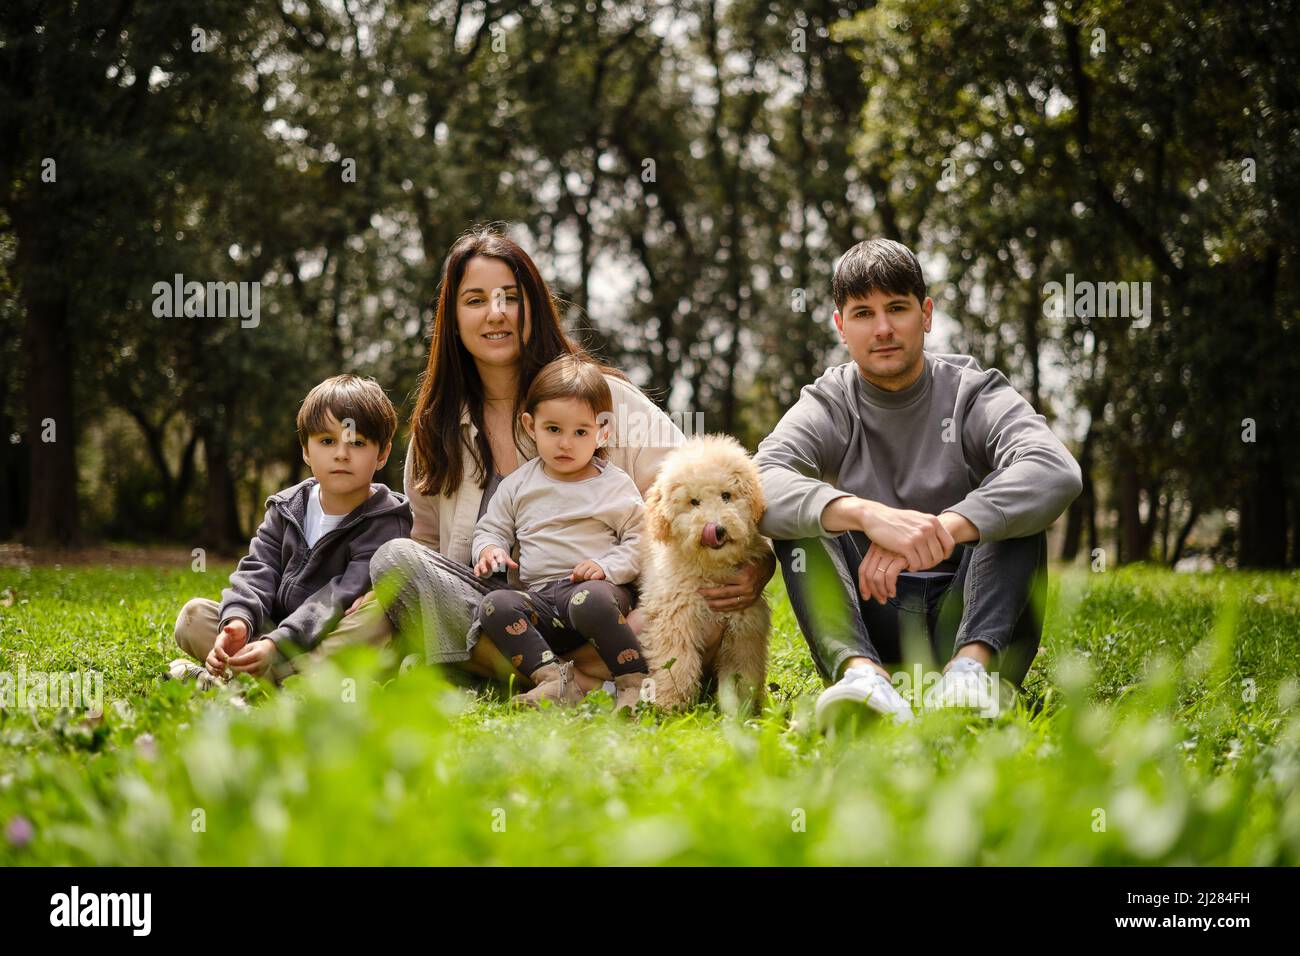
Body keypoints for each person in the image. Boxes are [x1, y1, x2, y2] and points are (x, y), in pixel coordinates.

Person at [330, 224, 776, 691]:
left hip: (609, 615)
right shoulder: (436, 427)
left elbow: (703, 490)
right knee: (398, 558)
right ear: (453, 317)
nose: (495, 313)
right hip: (503, 618)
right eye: (476, 300)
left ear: (533, 307)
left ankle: (554, 678)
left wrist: (759, 565)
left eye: (510, 297)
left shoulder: (608, 401)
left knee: (682, 619)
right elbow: (426, 543)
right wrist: (389, 590)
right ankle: (566, 680)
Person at [753, 238, 1082, 731]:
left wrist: (940, 531)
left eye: (898, 308)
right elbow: (760, 480)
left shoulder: (972, 391)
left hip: (970, 613)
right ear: (841, 327)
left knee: (1013, 503)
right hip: (874, 614)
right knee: (803, 513)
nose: (882, 329)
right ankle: (863, 679)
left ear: (925, 315)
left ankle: (970, 676)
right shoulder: (829, 400)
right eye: (863, 313)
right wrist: (867, 515)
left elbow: (1054, 469)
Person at [169, 374, 412, 685]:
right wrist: (238, 622)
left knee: (378, 615)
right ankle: (277, 682)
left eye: (357, 442)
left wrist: (278, 644)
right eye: (327, 441)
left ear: (382, 454)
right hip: (275, 635)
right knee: (193, 616)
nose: (341, 453)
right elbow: (259, 570)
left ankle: (272, 683)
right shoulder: (286, 509)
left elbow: (341, 594)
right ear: (306, 451)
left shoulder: (386, 520)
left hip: (328, 640)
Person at [471, 354, 649, 711]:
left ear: (603, 432)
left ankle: (633, 683)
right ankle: (554, 682)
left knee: (591, 600)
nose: (565, 443)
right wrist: (489, 549)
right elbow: (491, 527)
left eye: (580, 432)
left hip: (599, 595)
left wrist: (606, 566)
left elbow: (642, 539)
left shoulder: (614, 485)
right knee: (495, 605)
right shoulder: (520, 484)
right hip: (542, 601)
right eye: (553, 429)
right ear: (529, 425)